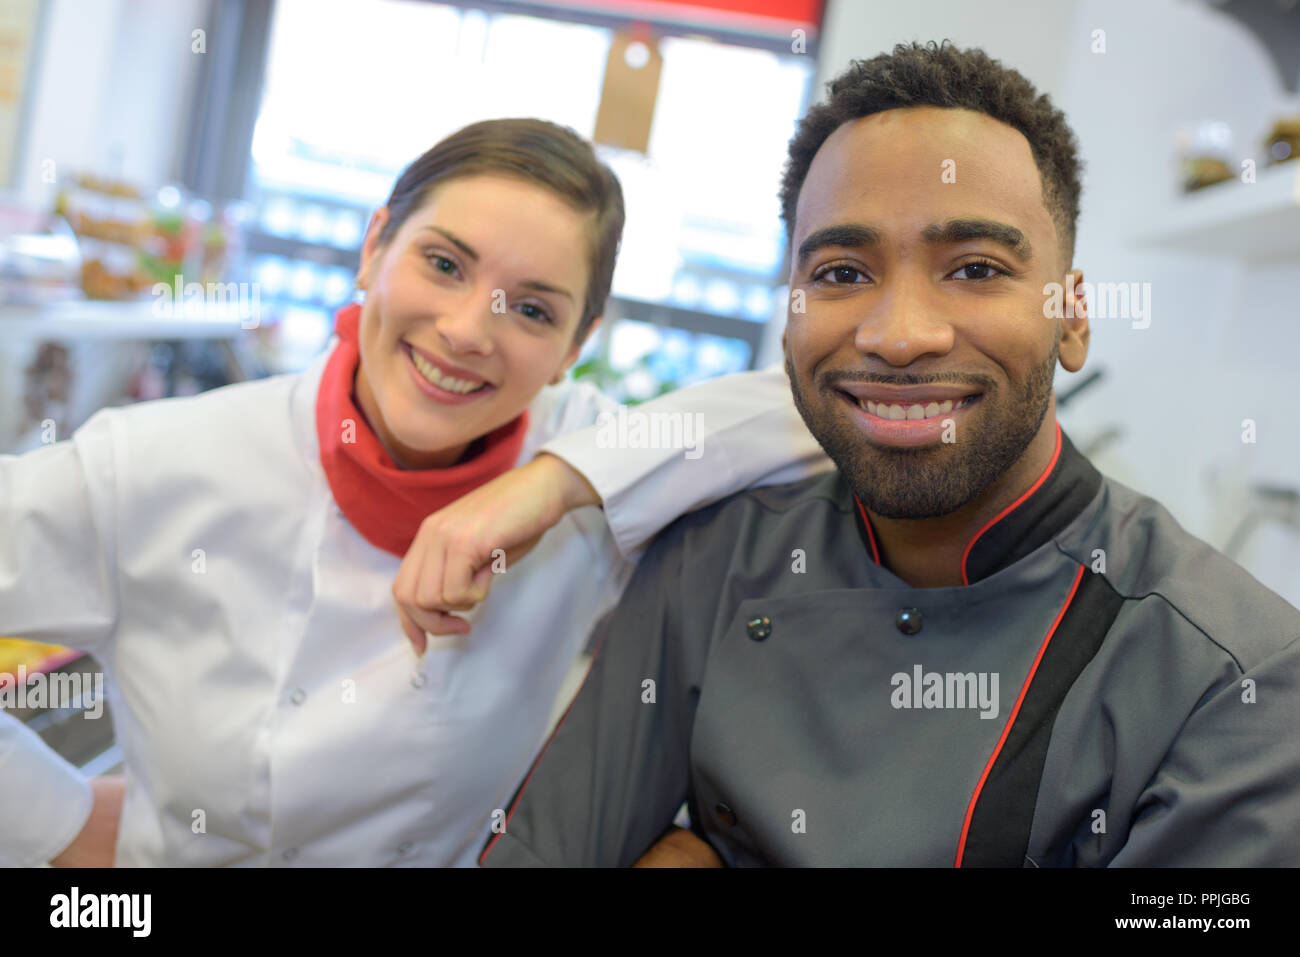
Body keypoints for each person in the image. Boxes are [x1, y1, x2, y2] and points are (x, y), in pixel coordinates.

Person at [478, 43, 1300, 868]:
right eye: (842, 271)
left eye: (976, 268)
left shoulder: (1237, 675)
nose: (900, 335)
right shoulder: (715, 558)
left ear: (1072, 315)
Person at [0, 118, 828, 867]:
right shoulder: (159, 459)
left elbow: (824, 408)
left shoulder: (586, 465)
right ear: (373, 249)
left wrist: (550, 484)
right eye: (443, 263)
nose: (468, 331)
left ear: (578, 344)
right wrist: (59, 819)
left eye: (533, 310)